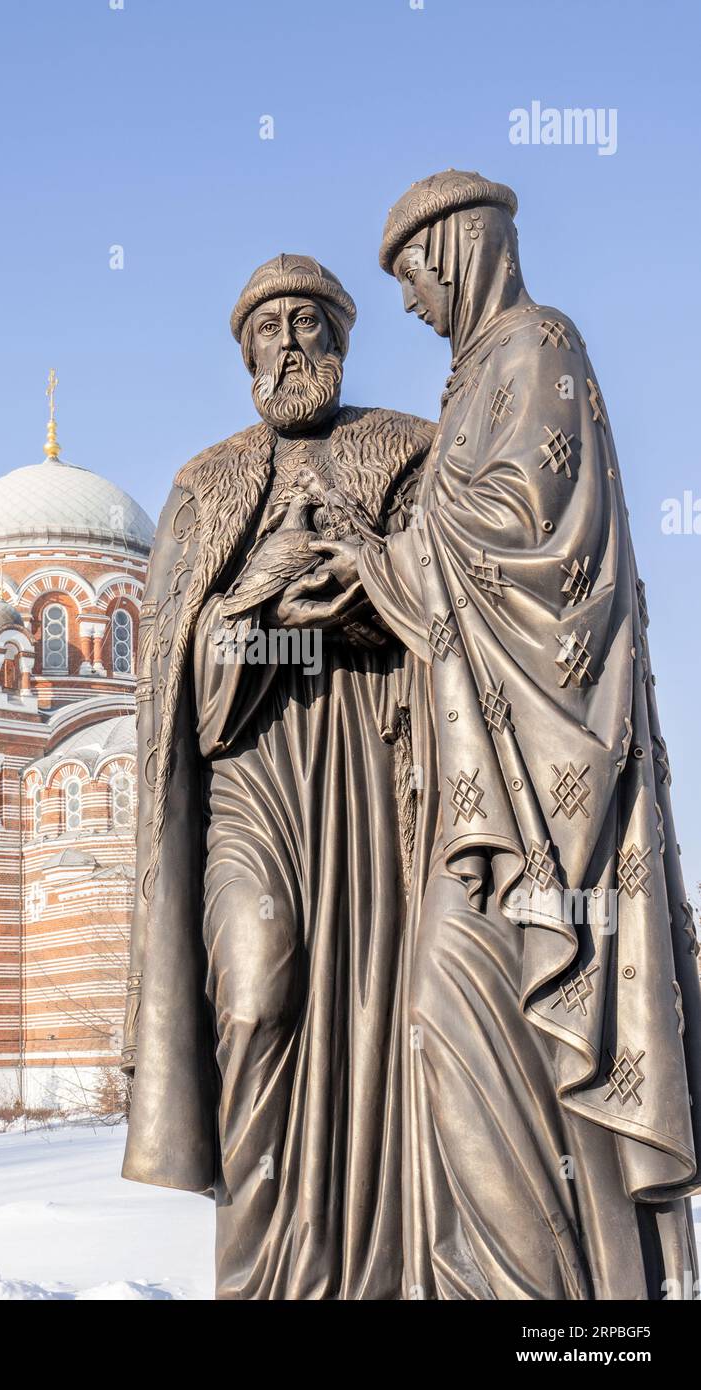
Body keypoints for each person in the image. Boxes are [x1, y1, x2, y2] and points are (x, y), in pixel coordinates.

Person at [315, 170, 701, 1298]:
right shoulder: (470, 381)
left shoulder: (536, 346)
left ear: (457, 247)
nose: (402, 303)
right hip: (480, 788)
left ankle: (571, 1302)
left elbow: (531, 542)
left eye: (408, 272)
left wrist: (383, 556)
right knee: (454, 1024)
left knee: (490, 1013)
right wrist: (367, 568)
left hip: (546, 791)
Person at [121, 253, 434, 1299]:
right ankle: (257, 1276)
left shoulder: (406, 455)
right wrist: (259, 602)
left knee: (378, 1025)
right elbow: (186, 689)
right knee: (254, 994)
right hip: (253, 782)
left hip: (375, 778)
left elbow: (454, 617)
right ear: (243, 352)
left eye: (310, 322)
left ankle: (372, 1271)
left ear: (344, 338)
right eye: (268, 328)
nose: (290, 343)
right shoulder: (205, 487)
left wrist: (366, 590)